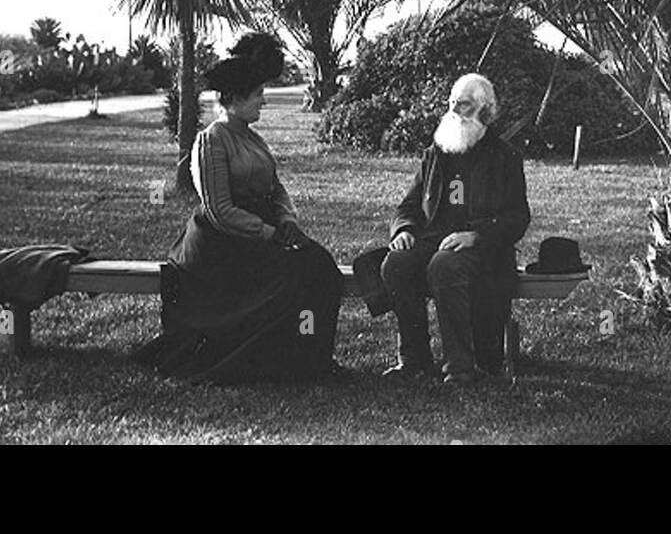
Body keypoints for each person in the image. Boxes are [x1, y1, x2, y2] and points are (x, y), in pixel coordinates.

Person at [134, 33, 343, 383]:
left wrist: (287, 218)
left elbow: (276, 188)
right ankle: (286, 363)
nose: (264, 101)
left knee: (321, 267)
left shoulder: (252, 137)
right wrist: (268, 233)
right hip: (221, 246)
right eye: (258, 94)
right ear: (235, 99)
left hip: (261, 236)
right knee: (295, 276)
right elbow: (219, 210)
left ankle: (312, 356)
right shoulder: (211, 140)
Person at [379, 73, 531, 385]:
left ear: (484, 111)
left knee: (444, 265)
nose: (453, 111)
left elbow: (517, 218)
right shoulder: (435, 154)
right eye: (451, 104)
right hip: (434, 240)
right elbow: (408, 206)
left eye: (463, 105)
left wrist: (475, 235)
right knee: (397, 263)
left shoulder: (505, 157)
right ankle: (414, 360)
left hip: (482, 249)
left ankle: (460, 367)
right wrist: (404, 230)